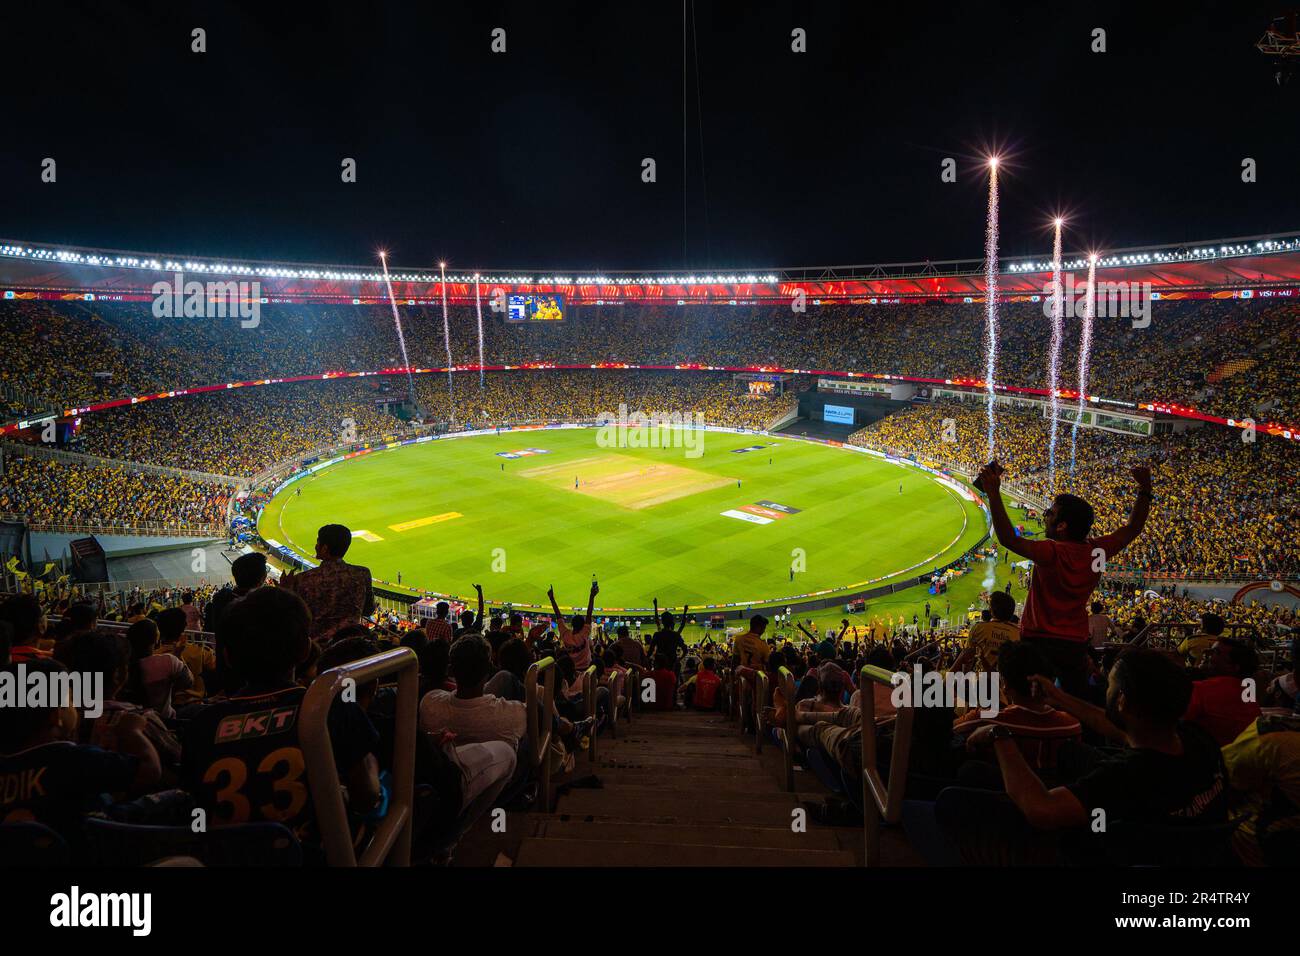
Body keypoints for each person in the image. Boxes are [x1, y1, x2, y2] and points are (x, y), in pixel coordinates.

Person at [955, 648, 1227, 861]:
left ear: (1121, 701)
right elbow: (1117, 726)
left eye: (1109, 684)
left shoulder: (1125, 776)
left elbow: (1040, 809)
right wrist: (1059, 698)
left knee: (973, 773)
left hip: (1111, 851)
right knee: (1073, 752)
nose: (1104, 688)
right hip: (1192, 848)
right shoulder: (1196, 738)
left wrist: (999, 735)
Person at [182, 587, 382, 844]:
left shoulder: (202, 724)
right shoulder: (329, 707)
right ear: (305, 650)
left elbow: (195, 804)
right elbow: (366, 797)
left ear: (228, 657)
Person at [976, 461, 1151, 697]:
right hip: (1074, 642)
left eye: (1050, 513)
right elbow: (1133, 528)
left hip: (1039, 639)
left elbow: (1008, 539)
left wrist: (994, 493)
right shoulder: (1098, 551)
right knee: (1071, 699)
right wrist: (1145, 489)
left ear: (1062, 526)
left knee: (1031, 698)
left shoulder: (1053, 552)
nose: (1045, 515)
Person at [0, 659, 161, 847]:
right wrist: (132, 732)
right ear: (56, 715)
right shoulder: (75, 758)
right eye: (70, 700)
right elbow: (150, 771)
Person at [278, 523, 375, 643]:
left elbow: (289, 614)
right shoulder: (363, 573)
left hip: (315, 648)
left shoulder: (302, 579)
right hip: (350, 644)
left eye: (318, 542)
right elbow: (368, 610)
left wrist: (285, 590)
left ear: (324, 548)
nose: (316, 546)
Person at [1184, 638, 1262, 746]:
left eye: (1216, 652)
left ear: (1234, 667)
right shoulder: (1247, 690)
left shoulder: (1202, 689)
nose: (1206, 653)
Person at [952, 590, 1019, 674]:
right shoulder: (1018, 633)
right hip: (1007, 682)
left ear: (991, 610)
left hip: (981, 680)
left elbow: (968, 657)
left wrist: (965, 679)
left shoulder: (979, 628)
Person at [547, 581, 597, 671]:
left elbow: (558, 616)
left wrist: (552, 599)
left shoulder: (565, 635)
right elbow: (589, 614)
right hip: (586, 670)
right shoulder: (584, 634)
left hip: (571, 670)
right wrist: (592, 596)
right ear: (583, 626)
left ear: (572, 624)